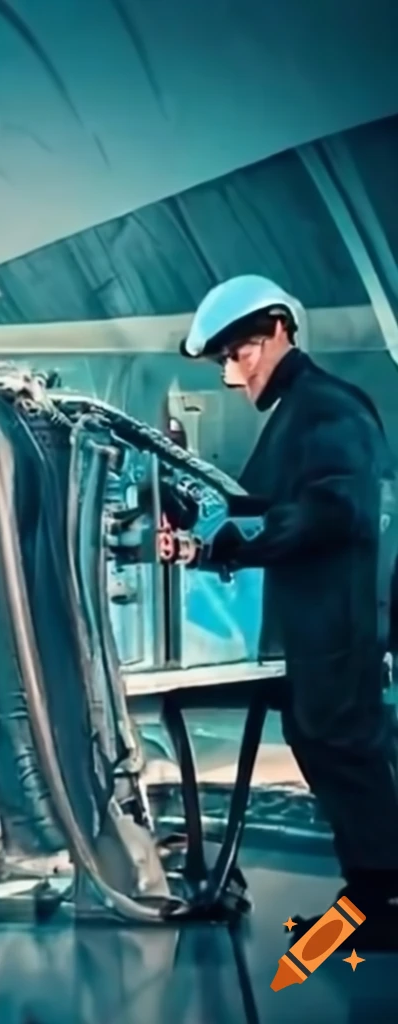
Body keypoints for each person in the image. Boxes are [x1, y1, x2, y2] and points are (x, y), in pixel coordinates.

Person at [178, 274, 398, 948]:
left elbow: (337, 509)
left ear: (279, 328)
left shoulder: (327, 408)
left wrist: (233, 543)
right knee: (324, 746)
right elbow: (261, 503)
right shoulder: (301, 413)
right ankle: (369, 896)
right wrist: (199, 521)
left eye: (239, 353)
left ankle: (385, 899)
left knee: (347, 750)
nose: (231, 375)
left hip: (339, 623)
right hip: (315, 626)